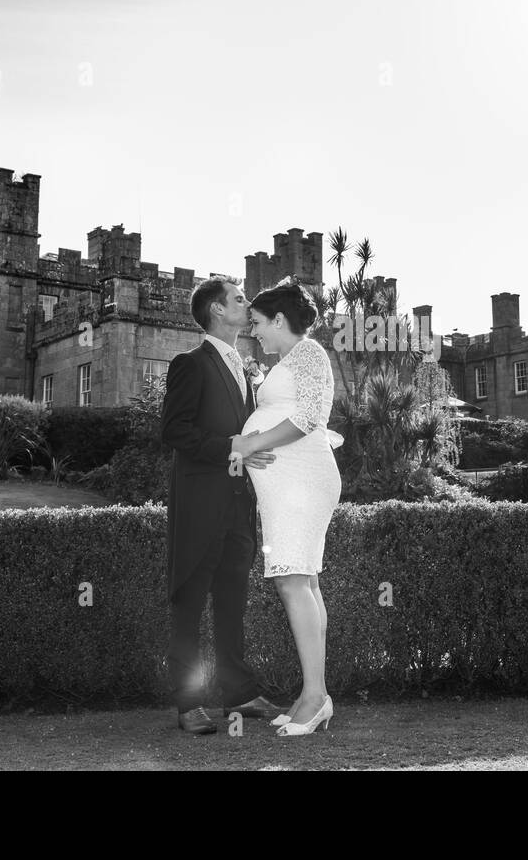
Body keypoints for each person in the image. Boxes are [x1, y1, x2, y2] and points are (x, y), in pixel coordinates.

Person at [160, 278, 286, 735]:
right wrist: (233, 445)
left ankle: (240, 695)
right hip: (200, 508)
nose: (247, 303)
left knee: (233, 605)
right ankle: (188, 704)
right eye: (238, 298)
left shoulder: (245, 367)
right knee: (189, 607)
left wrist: (252, 451)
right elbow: (174, 432)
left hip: (239, 510)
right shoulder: (190, 364)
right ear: (216, 310)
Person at [231, 279, 343, 736]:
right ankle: (311, 696)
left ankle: (315, 697)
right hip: (288, 483)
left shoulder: (310, 353)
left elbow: (308, 417)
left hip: (302, 481)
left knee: (295, 581)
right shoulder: (289, 361)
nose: (253, 331)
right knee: (302, 582)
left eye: (257, 323)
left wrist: (250, 441)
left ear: (279, 320)